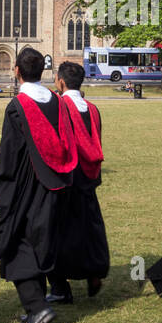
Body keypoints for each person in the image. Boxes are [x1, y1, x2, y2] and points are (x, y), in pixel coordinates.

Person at [0, 48, 76, 323]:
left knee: (13, 241)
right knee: (39, 241)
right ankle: (37, 304)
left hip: (26, 186)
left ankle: (37, 308)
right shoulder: (57, 101)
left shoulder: (17, 106)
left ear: (17, 71)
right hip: (56, 183)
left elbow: (8, 156)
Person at [46, 60, 109, 304]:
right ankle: (93, 271)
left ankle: (60, 287)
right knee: (89, 227)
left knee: (57, 232)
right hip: (89, 176)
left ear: (61, 81)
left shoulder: (59, 106)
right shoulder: (92, 108)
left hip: (68, 176)